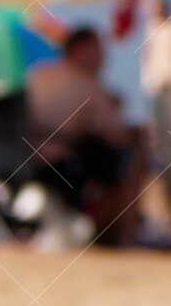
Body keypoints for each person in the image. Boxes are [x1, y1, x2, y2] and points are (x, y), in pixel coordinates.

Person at [26, 26, 143, 244]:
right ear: (80, 50)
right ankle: (125, 232)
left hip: (23, 160)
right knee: (132, 153)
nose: (103, 58)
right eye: (98, 50)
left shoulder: (37, 74)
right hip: (63, 164)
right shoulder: (87, 83)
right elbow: (116, 134)